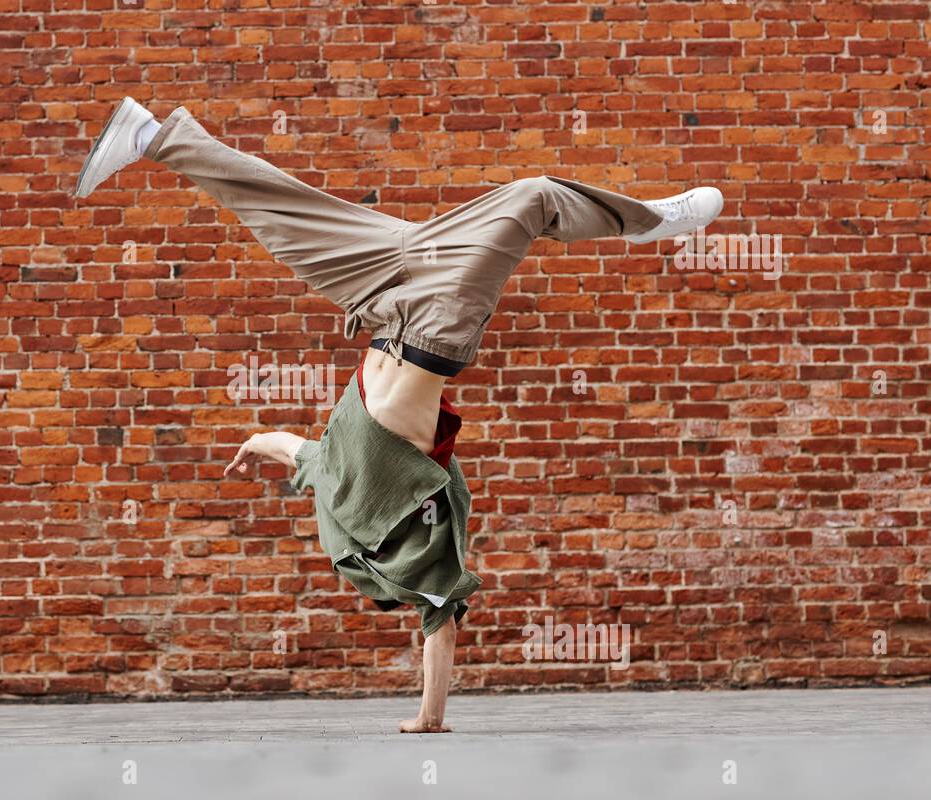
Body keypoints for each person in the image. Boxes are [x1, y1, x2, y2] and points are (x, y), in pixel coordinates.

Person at [75, 98, 723, 732]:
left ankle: (151, 137)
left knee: (279, 209)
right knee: (530, 198)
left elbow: (435, 622)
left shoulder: (360, 498)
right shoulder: (347, 487)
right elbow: (288, 450)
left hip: (386, 295)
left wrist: (428, 719)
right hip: (423, 309)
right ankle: (645, 221)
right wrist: (254, 443)